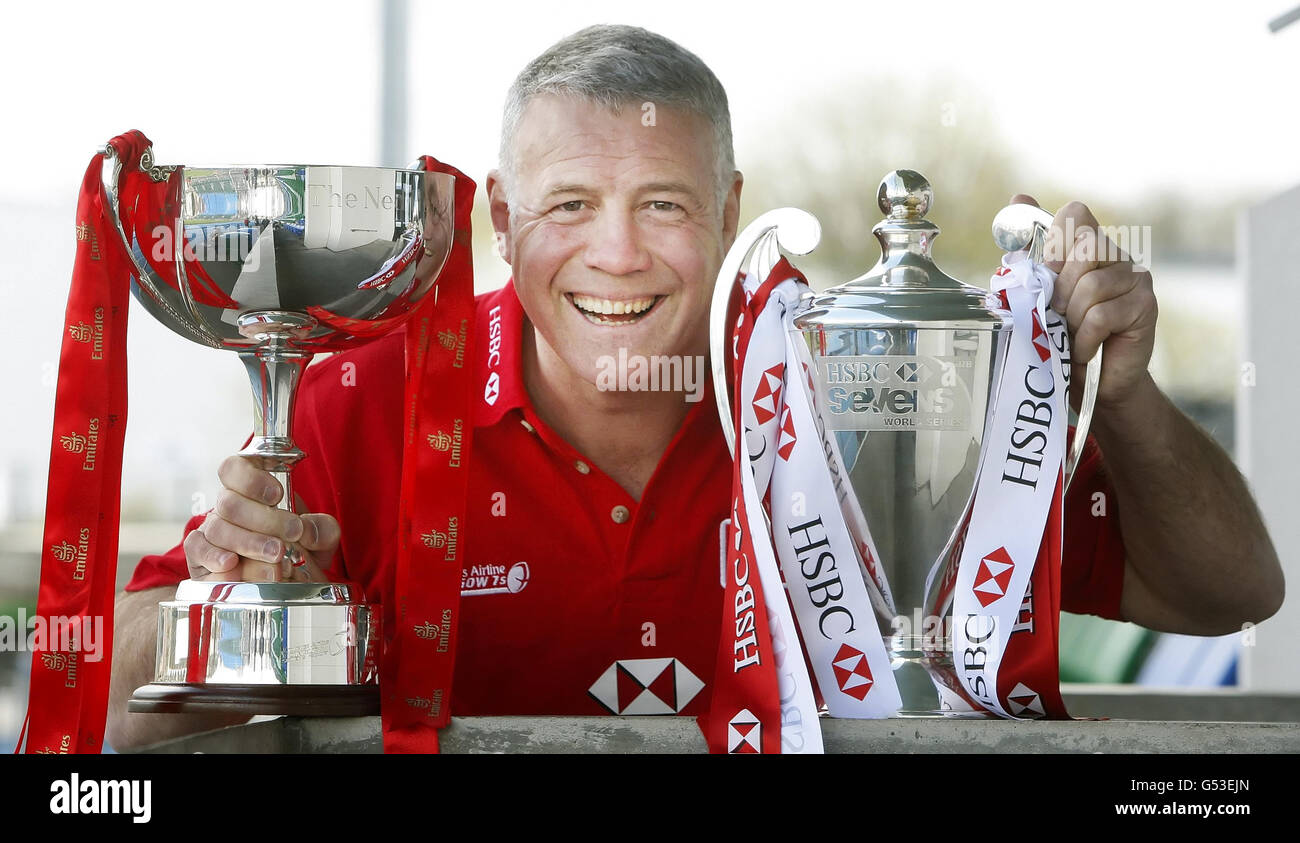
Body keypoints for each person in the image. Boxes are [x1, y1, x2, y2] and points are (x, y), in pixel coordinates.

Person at [104, 25, 1283, 751]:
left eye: (664, 205)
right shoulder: (360, 395)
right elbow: (97, 706)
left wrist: (1121, 396)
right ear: (503, 223)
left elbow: (1230, 594)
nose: (617, 254)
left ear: (731, 214)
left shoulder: (857, 372)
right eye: (569, 205)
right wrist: (227, 604)